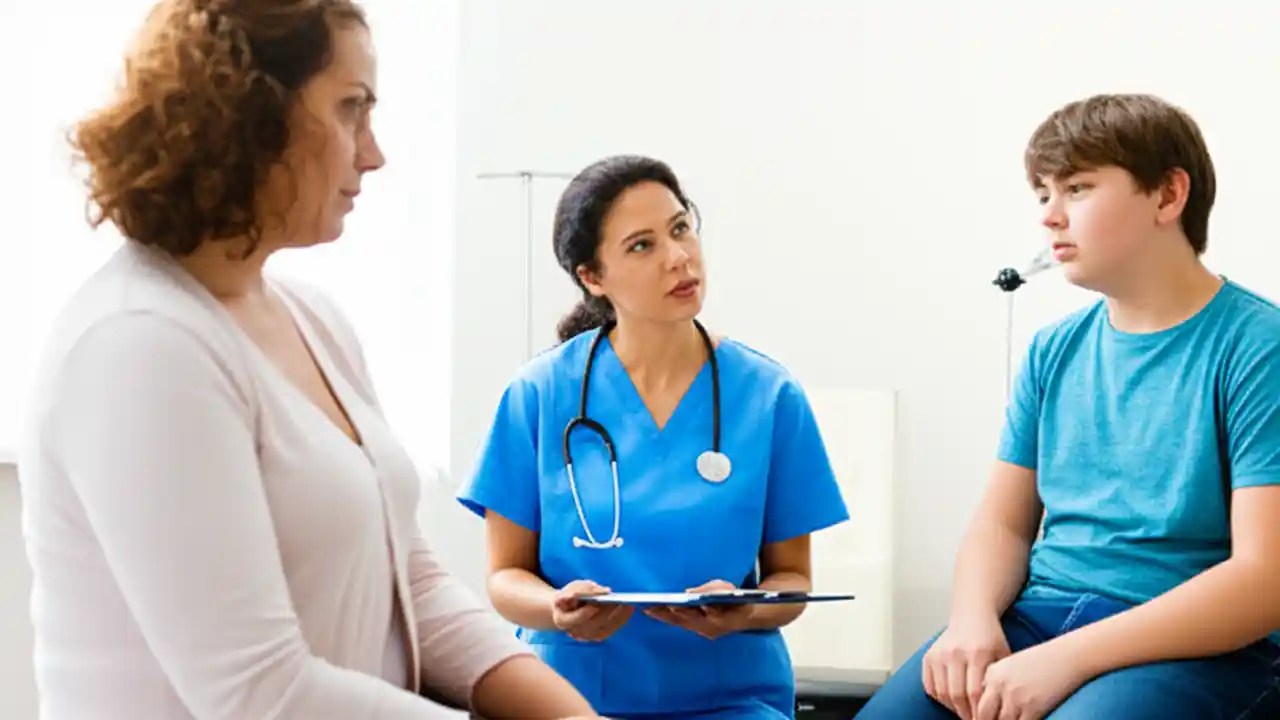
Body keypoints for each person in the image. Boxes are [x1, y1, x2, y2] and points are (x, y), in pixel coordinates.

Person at [17, 1, 600, 718]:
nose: (373, 152)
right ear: (245, 113)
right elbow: (261, 695)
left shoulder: (311, 318)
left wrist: (571, 715)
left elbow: (409, 580)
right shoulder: (138, 344)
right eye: (351, 109)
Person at [857, 94, 1280, 719]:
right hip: (1041, 616)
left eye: (1077, 189)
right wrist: (970, 623)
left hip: (1189, 645)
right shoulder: (1053, 351)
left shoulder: (1256, 349)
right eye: (1042, 195)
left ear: (1167, 196)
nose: (1050, 218)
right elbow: (1002, 524)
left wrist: (1069, 659)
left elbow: (1261, 579)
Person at [454, 154, 851, 719]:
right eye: (642, 246)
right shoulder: (539, 394)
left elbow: (793, 579)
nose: (678, 258)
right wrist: (556, 607)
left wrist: (747, 609)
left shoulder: (768, 395)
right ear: (592, 277)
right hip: (571, 696)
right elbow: (504, 578)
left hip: (729, 696)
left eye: (680, 228)